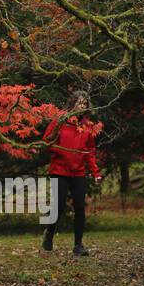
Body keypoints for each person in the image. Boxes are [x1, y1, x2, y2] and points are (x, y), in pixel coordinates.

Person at [42, 91, 101, 256]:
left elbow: (90, 151)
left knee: (80, 207)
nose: (82, 106)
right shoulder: (59, 121)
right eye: (80, 102)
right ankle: (49, 233)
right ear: (72, 103)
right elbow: (46, 142)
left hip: (78, 172)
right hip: (59, 170)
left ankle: (78, 245)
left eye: (85, 104)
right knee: (59, 206)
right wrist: (61, 151)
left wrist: (96, 172)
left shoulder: (87, 127)